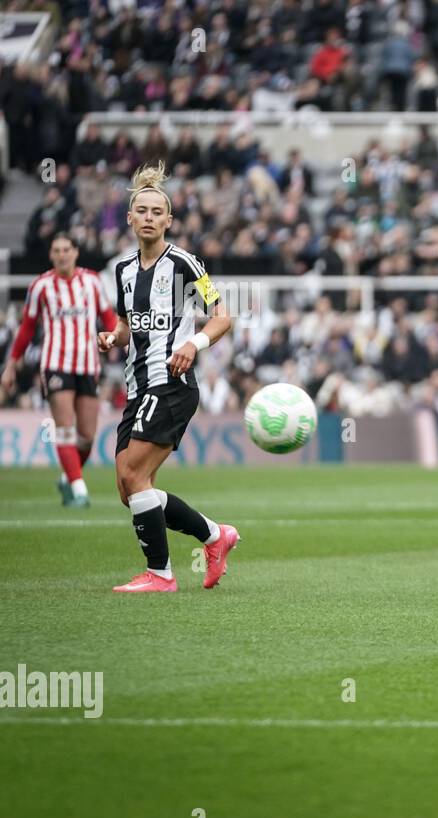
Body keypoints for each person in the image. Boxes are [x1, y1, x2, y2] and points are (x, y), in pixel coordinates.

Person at [98, 162, 240, 593]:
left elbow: (223, 315)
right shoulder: (122, 271)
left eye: (156, 212)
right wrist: (112, 337)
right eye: (141, 210)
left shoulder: (183, 263)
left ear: (169, 220)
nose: (148, 217)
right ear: (129, 218)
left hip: (172, 384)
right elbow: (128, 327)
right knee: (129, 488)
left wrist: (193, 344)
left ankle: (160, 575)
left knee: (135, 477)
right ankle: (216, 536)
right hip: (137, 388)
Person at [2, 234, 117, 507]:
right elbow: (27, 328)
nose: (62, 254)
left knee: (87, 437)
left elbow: (109, 317)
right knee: (65, 429)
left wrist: (113, 338)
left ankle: (68, 478)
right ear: (51, 255)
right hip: (55, 364)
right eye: (57, 250)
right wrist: (11, 364)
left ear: (76, 253)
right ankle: (79, 491)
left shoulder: (92, 281)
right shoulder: (41, 286)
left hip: (88, 364)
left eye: (67, 249)